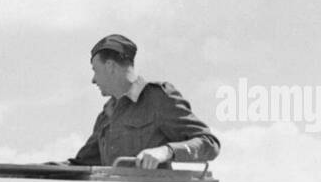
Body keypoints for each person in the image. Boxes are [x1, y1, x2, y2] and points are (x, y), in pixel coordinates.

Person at [70, 33, 220, 169]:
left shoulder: (158, 99)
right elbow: (81, 164)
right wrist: (46, 171)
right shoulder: (106, 115)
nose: (93, 80)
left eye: (95, 70)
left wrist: (166, 151)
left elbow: (209, 143)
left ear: (110, 66)